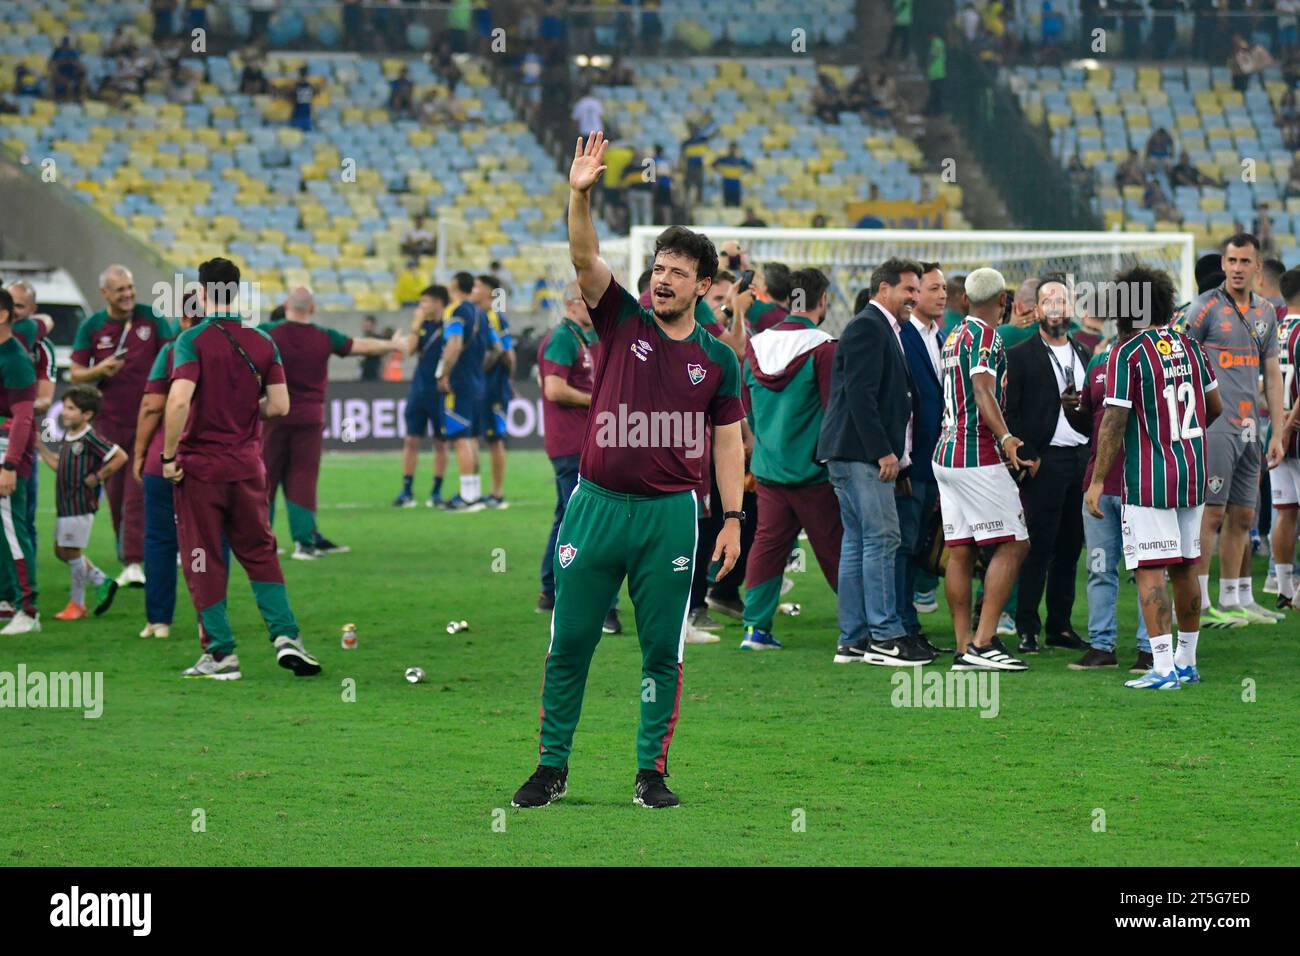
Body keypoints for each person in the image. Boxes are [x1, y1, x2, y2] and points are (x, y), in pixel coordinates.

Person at [511, 133, 745, 811]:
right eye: (658, 268)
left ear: (704, 286)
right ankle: (552, 767)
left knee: (661, 654)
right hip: (596, 506)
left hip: (672, 517)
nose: (663, 279)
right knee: (572, 641)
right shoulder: (621, 320)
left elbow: (728, 445)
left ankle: (651, 773)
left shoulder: (719, 360)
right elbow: (584, 255)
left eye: (678, 271)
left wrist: (731, 519)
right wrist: (580, 193)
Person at [163, 258, 320, 682]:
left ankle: (221, 655)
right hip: (249, 466)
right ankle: (287, 637)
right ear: (237, 292)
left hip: (202, 469)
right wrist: (244, 412)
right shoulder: (263, 342)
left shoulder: (192, 341)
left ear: (201, 292)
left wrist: (167, 456)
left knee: (203, 558)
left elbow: (178, 401)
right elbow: (281, 406)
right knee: (260, 551)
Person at [1085, 266, 1222, 690]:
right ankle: (1187, 661)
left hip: (1149, 480)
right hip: (1192, 475)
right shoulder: (1192, 348)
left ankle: (1162, 669)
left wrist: (1096, 481)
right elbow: (1213, 406)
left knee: (1149, 570)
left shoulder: (1126, 353)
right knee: (1186, 568)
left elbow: (1113, 421)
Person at [818, 258, 928, 666]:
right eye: (909, 289)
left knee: (859, 543)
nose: (914, 298)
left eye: (917, 290)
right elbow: (861, 395)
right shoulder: (869, 326)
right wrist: (884, 450)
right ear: (884, 289)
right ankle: (885, 636)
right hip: (862, 454)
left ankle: (854, 639)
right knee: (882, 540)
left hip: (849, 452)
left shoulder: (879, 327)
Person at [1179, 234, 1286, 628]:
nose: (1238, 268)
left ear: (1258, 267)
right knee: (1211, 514)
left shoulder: (1267, 314)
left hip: (1250, 426)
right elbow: (1181, 363)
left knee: (1244, 514)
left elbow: (1271, 375)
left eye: (1245, 261)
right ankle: (1200, 603)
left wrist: (1274, 431)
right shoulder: (1203, 308)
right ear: (1223, 265)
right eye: (1232, 261)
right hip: (1215, 425)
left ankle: (1235, 598)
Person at [932, 268, 1035, 671]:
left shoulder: (954, 336)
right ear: (1003, 302)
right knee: (1016, 542)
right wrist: (1007, 437)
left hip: (945, 452)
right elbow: (982, 389)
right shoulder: (987, 337)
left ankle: (962, 647)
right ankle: (984, 641)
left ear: (964, 301)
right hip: (975, 452)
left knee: (960, 550)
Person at [740, 268, 841, 650]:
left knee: (767, 549)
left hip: (768, 470)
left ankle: (755, 629)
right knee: (835, 550)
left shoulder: (756, 346)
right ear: (821, 301)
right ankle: (858, 628)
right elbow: (834, 410)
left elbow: (745, 407)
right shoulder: (824, 347)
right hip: (814, 472)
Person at [265, 288, 399, 558]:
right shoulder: (324, 336)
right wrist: (394, 345)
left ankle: (261, 541)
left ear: (284, 305)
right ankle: (305, 542)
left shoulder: (267, 332)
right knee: (303, 478)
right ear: (312, 308)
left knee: (265, 477)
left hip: (273, 414)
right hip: (310, 418)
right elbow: (363, 346)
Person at [1003, 276, 1093, 654]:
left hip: (1079, 460)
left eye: (1062, 300)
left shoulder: (1086, 354)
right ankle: (1027, 626)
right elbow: (1011, 411)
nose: (1055, 307)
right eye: (1048, 301)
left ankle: (1060, 624)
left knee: (1070, 548)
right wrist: (1028, 456)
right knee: (1036, 548)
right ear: (1036, 310)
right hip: (1045, 462)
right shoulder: (1021, 355)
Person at [69, 265, 174, 590]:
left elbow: (172, 356)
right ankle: (129, 557)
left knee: (137, 488)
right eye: (120, 290)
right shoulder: (92, 325)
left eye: (130, 287)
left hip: (149, 420)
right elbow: (75, 373)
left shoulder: (151, 318)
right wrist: (99, 369)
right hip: (109, 423)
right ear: (105, 294)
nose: (128, 294)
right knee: (115, 494)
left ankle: (134, 560)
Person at [1071, 329, 1153, 672]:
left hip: (1142, 484)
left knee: (1147, 569)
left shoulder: (1156, 361)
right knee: (1100, 567)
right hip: (1100, 487)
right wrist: (1072, 408)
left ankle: (1150, 648)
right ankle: (1101, 645)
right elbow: (1088, 419)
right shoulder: (1099, 363)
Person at [132, 296, 202, 639]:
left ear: (185, 319)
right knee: (207, 543)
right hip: (214, 464)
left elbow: (152, 407)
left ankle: (158, 621)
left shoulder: (173, 350)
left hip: (166, 459)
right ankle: (209, 617)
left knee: (160, 540)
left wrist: (139, 452)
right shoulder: (238, 349)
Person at [37, 386, 125, 621]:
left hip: (80, 504)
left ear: (86, 415)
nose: (64, 413)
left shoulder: (90, 437)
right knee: (61, 550)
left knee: (72, 552)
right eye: (64, 407)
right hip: (66, 504)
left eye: (71, 409)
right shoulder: (70, 436)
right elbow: (59, 466)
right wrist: (39, 446)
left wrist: (98, 477)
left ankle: (77, 604)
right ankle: (100, 580)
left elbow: (120, 456)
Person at [895, 262, 948, 651]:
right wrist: (903, 458)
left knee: (918, 542)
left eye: (944, 287)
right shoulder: (903, 335)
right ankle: (901, 623)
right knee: (905, 543)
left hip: (934, 459)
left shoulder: (938, 336)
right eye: (933, 288)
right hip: (913, 459)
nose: (941, 294)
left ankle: (907, 620)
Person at [537, 282, 599, 614]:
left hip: (579, 442)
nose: (594, 306)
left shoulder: (581, 338)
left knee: (566, 516)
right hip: (569, 443)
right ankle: (565, 589)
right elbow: (554, 389)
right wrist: (597, 400)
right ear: (573, 305)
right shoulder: (561, 337)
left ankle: (550, 590)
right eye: (589, 301)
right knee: (577, 519)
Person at [439, 272, 498, 512]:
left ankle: (467, 497)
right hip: (477, 383)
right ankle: (473, 494)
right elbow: (495, 349)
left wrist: (443, 373)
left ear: (453, 285)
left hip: (460, 382)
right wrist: (479, 369)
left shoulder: (456, 311)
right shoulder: (481, 315)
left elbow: (453, 345)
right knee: (471, 438)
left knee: (460, 439)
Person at [0, 289, 41, 634]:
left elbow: (24, 416)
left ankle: (28, 610)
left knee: (14, 530)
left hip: (6, 456)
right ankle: (7, 601)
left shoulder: (13, 358)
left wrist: (10, 464)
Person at [394, 286, 450, 507]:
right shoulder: (422, 326)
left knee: (441, 443)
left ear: (438, 302)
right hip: (419, 389)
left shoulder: (450, 326)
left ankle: (436, 491)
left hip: (441, 393)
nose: (421, 307)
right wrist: (415, 326)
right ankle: (406, 489)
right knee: (411, 440)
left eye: (425, 302)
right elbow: (409, 350)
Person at [1269, 268, 1300, 607]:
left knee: (1285, 511)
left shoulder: (1273, 330)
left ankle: (1282, 587)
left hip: (1273, 429)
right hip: (1295, 429)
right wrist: (1291, 426)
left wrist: (1278, 425)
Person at [471, 274, 515, 508]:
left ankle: (497, 494)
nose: (473, 290)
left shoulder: (494, 317)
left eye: (477, 286)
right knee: (473, 437)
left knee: (495, 439)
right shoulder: (476, 316)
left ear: (488, 292)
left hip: (493, 388)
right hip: (479, 388)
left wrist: (507, 381)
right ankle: (474, 492)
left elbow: (506, 353)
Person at [712, 143, 752, 208]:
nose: (732, 150)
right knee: (726, 205)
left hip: (736, 183)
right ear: (728, 149)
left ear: (736, 149)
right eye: (731, 148)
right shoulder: (724, 159)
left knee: (737, 205)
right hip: (726, 183)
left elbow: (751, 167)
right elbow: (713, 164)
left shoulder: (740, 160)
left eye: (734, 148)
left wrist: (743, 172)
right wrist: (719, 171)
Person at [358, 315, 383, 382]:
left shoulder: (378, 339)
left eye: (368, 326)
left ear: (373, 326)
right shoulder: (362, 339)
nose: (366, 328)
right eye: (365, 326)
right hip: (364, 372)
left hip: (374, 372)